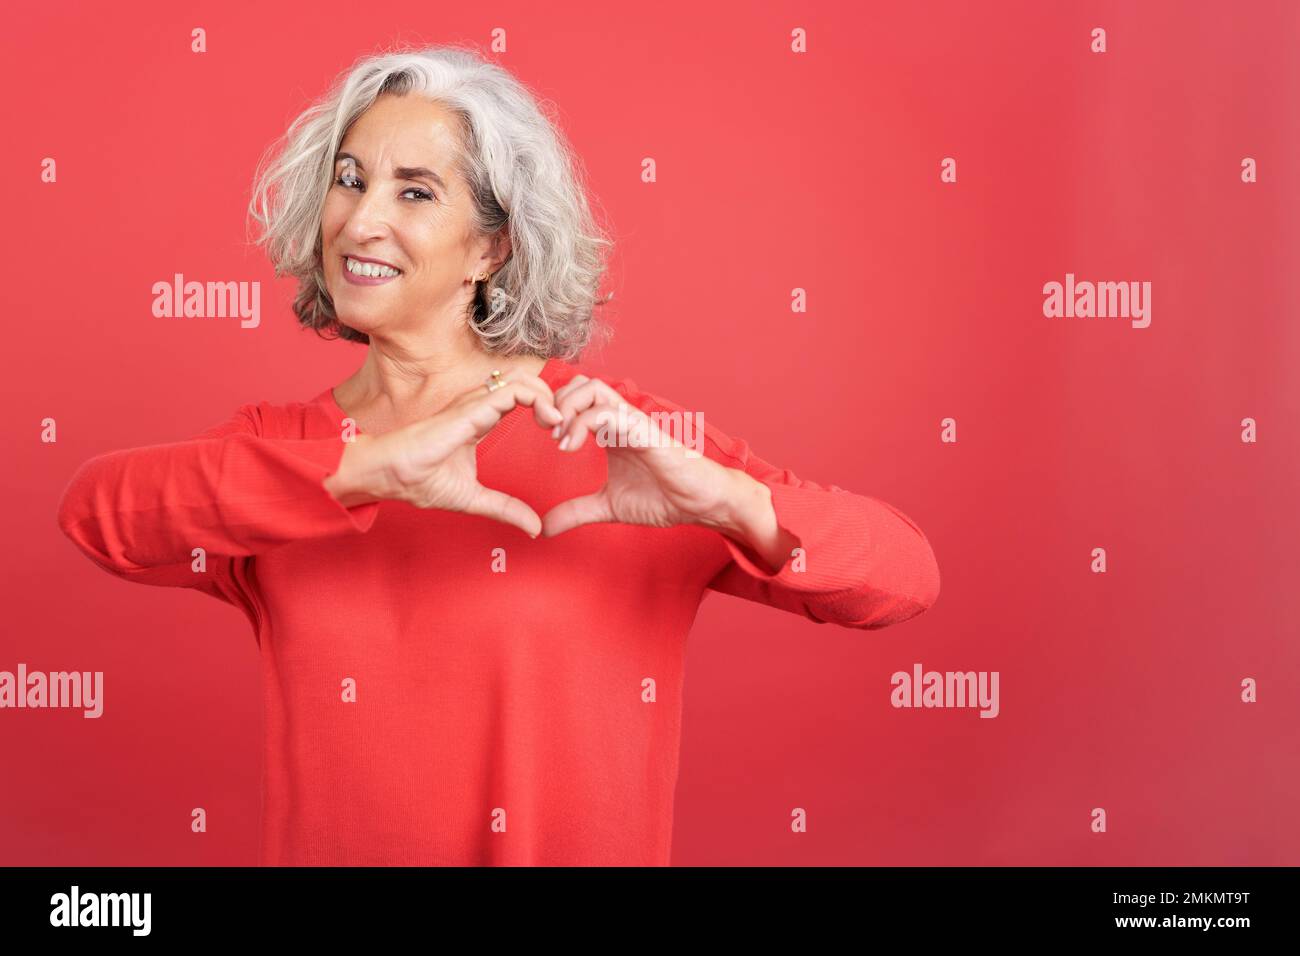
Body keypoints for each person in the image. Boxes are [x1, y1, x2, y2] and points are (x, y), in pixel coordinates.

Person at [55, 44, 940, 866]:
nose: (361, 220)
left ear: (492, 244)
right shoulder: (284, 455)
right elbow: (101, 515)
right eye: (348, 180)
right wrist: (365, 471)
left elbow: (904, 577)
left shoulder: (616, 438)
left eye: (414, 191)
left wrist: (732, 502)